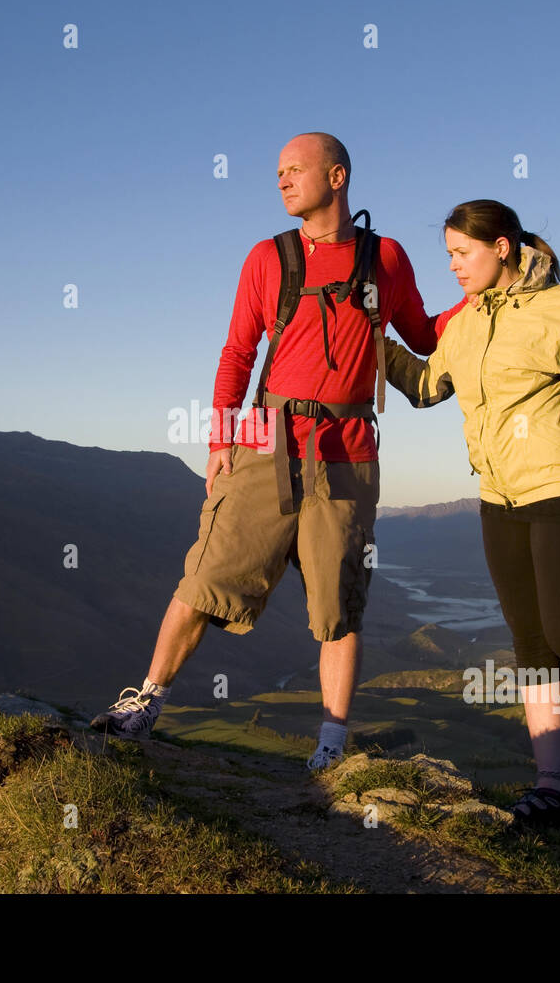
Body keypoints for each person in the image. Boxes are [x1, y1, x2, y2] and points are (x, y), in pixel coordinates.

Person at [90, 133, 461, 770]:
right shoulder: (269, 257)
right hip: (264, 440)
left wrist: (486, 292)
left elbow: (425, 334)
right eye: (279, 172)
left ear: (337, 176)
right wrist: (219, 441)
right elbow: (237, 353)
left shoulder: (387, 259)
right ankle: (144, 705)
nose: (283, 181)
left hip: (347, 451)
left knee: (338, 606)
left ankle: (331, 749)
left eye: (296, 170)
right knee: (207, 576)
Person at [383, 199, 560, 829]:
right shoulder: (464, 324)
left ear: (503, 247)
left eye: (463, 253)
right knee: (532, 645)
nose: (453, 266)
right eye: (449, 255)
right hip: (497, 500)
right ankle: (554, 786)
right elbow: (430, 387)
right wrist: (372, 343)